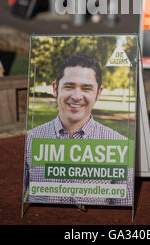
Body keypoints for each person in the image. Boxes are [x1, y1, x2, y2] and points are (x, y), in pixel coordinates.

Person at [24, 53, 133, 206]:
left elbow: (124, 210)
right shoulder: (29, 140)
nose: (76, 96)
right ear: (55, 89)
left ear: (98, 93)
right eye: (69, 86)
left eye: (86, 88)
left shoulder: (120, 146)